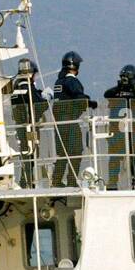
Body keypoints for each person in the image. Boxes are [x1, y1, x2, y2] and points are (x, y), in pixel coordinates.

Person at [51, 51, 97, 187]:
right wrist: (90, 102)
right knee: (76, 151)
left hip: (59, 123)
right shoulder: (72, 81)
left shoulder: (58, 82)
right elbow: (79, 97)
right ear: (76, 66)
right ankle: (71, 180)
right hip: (70, 120)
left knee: (63, 153)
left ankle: (56, 180)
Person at [103, 64, 135, 189]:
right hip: (118, 131)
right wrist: (119, 87)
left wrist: (133, 83)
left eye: (126, 77)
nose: (124, 80)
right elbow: (107, 94)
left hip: (133, 131)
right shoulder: (117, 91)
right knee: (114, 158)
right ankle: (112, 182)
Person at [10, 58, 47, 186]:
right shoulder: (28, 87)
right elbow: (38, 105)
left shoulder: (15, 88)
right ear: (31, 74)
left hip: (20, 125)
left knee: (26, 155)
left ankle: (25, 181)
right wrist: (47, 97)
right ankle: (27, 182)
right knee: (31, 155)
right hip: (30, 127)